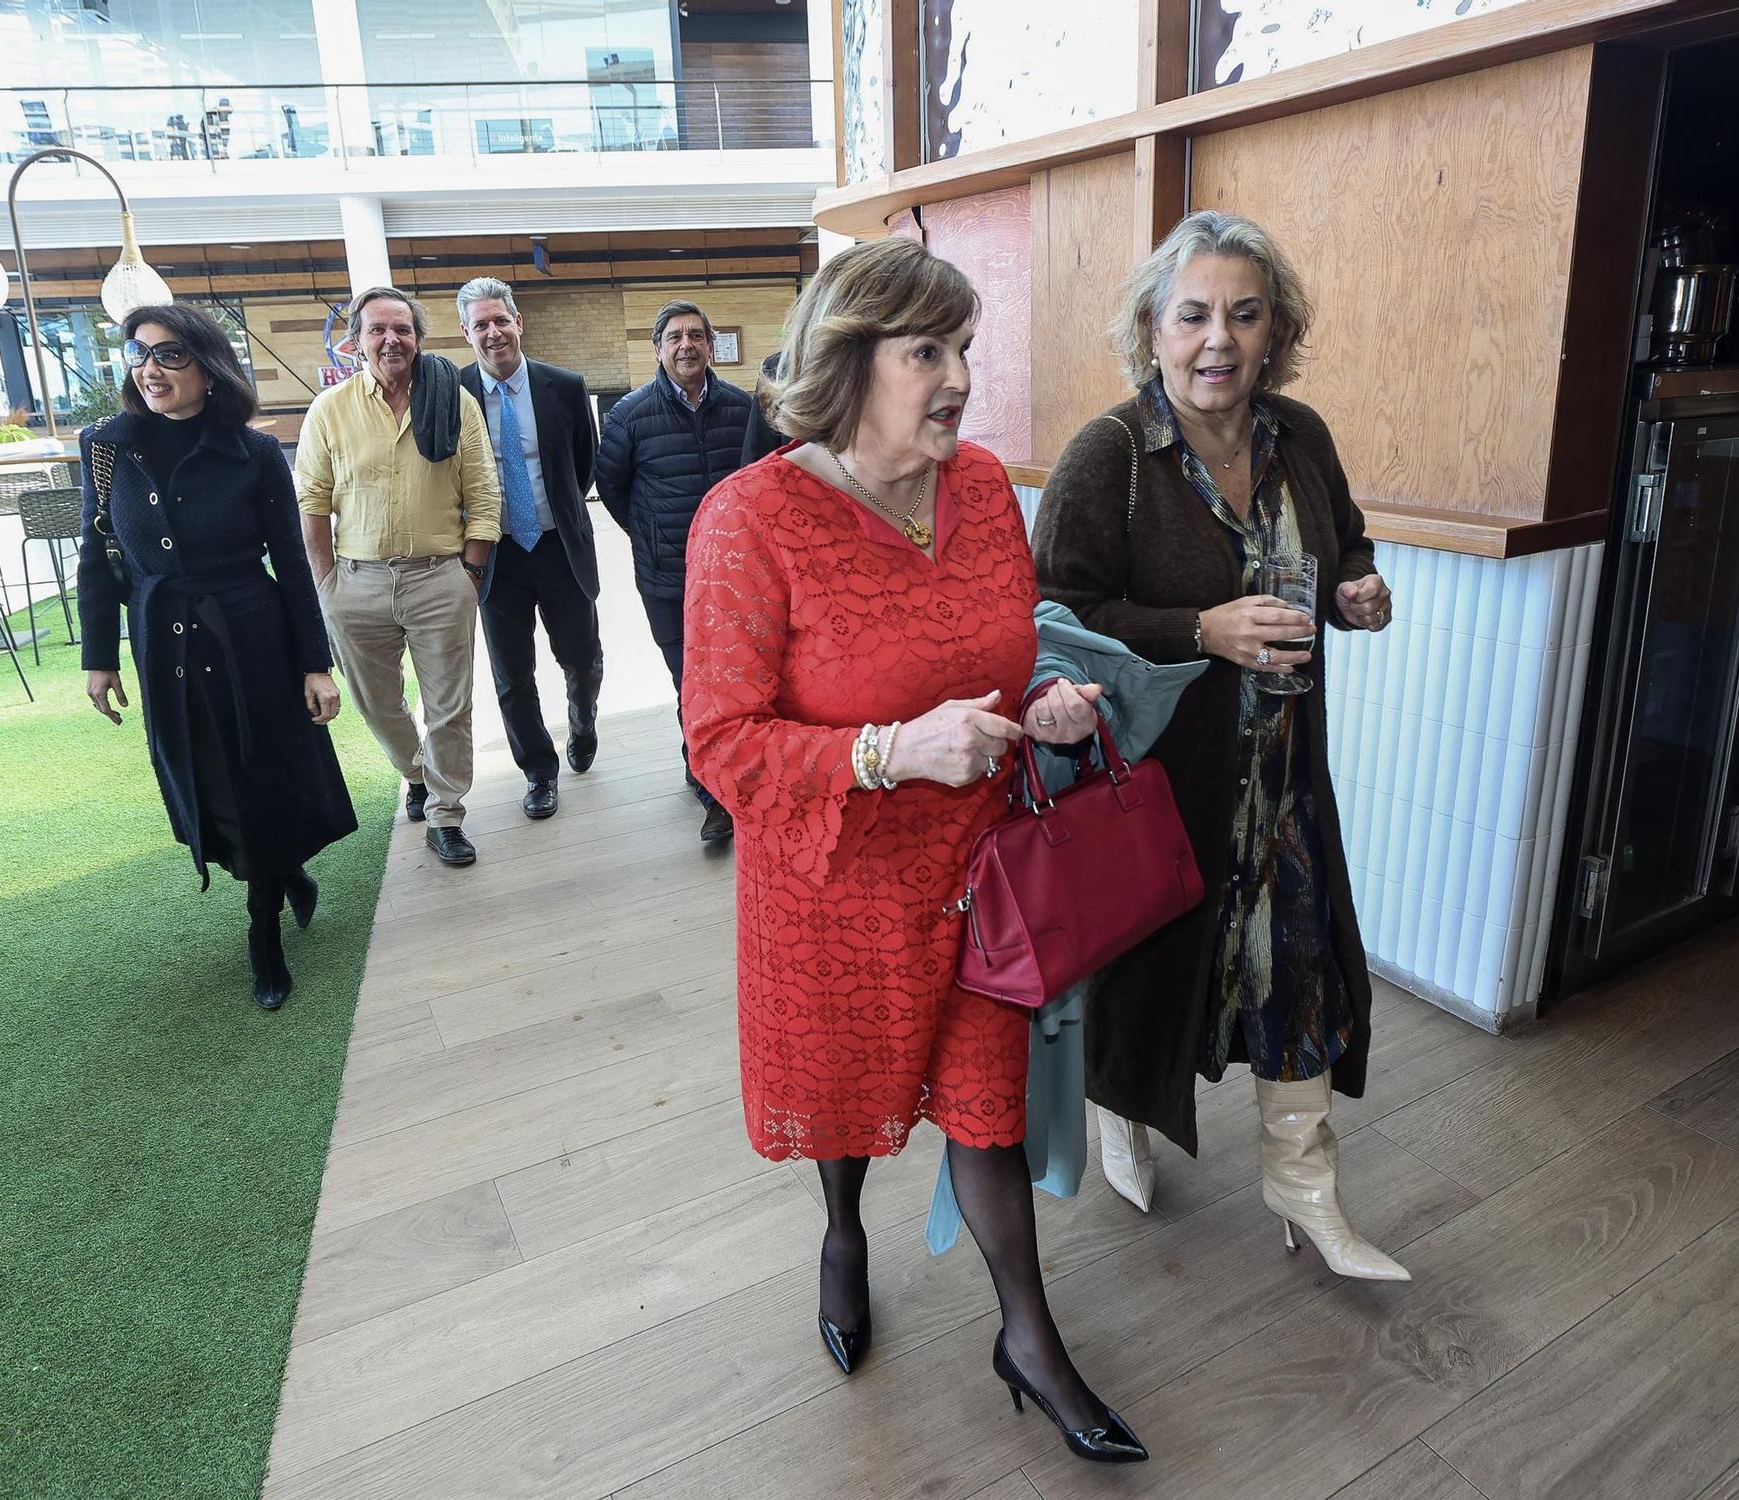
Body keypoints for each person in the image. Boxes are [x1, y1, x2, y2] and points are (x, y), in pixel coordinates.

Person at [684, 237, 1146, 1466]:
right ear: (851, 360)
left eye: (964, 350)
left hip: (978, 877)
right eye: (927, 351)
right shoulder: (752, 520)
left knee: (985, 1113)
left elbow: (1002, 650)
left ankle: (1028, 1339)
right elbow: (720, 744)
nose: (957, 378)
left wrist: (1043, 695)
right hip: (831, 894)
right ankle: (842, 1234)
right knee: (845, 1102)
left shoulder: (987, 487)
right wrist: (885, 753)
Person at [1032, 209, 1408, 1280]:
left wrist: (1354, 595)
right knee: (1151, 974)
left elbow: (1343, 548)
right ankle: (1120, 1113)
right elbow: (1053, 616)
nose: (1218, 340)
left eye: (1243, 316)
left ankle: (1305, 1185)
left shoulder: (1301, 436)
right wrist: (1198, 630)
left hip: (1283, 779)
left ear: (1272, 330)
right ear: (1150, 328)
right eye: (1192, 314)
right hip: (1159, 787)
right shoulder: (1109, 456)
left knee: (1297, 970)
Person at [80, 303, 357, 1011]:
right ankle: (283, 874)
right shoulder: (106, 447)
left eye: (170, 354)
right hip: (160, 633)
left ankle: (263, 929)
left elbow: (293, 565)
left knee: (258, 777)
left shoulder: (254, 452)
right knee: (204, 778)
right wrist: (98, 657)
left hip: (249, 635)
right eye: (139, 354)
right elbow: (96, 555)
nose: (150, 368)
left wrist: (315, 664)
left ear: (209, 367)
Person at [296, 286, 502, 867]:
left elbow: (484, 495)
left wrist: (471, 575)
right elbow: (311, 501)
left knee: (449, 707)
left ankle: (446, 813)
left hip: (441, 580)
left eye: (403, 329)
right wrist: (326, 582)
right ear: (357, 342)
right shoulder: (329, 410)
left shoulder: (453, 402)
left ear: (418, 338)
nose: (392, 340)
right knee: (376, 702)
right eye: (378, 330)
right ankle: (414, 771)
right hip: (354, 583)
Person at [595, 299, 752, 844]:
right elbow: (612, 490)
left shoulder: (741, 407)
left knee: (735, 679)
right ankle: (713, 791)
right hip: (668, 578)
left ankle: (716, 769)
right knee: (691, 681)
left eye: (696, 336)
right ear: (658, 349)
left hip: (735, 577)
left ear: (710, 345)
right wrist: (652, 535)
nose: (686, 345)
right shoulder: (629, 415)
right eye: (675, 337)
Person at [455, 276, 603, 820]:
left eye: (501, 320)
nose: (494, 333)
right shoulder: (455, 394)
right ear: (466, 332)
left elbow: (583, 462)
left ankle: (583, 717)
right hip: (494, 556)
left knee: (581, 656)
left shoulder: (564, 386)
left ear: (519, 322)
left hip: (559, 547)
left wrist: (558, 516)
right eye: (481, 324)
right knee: (511, 674)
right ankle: (539, 771)